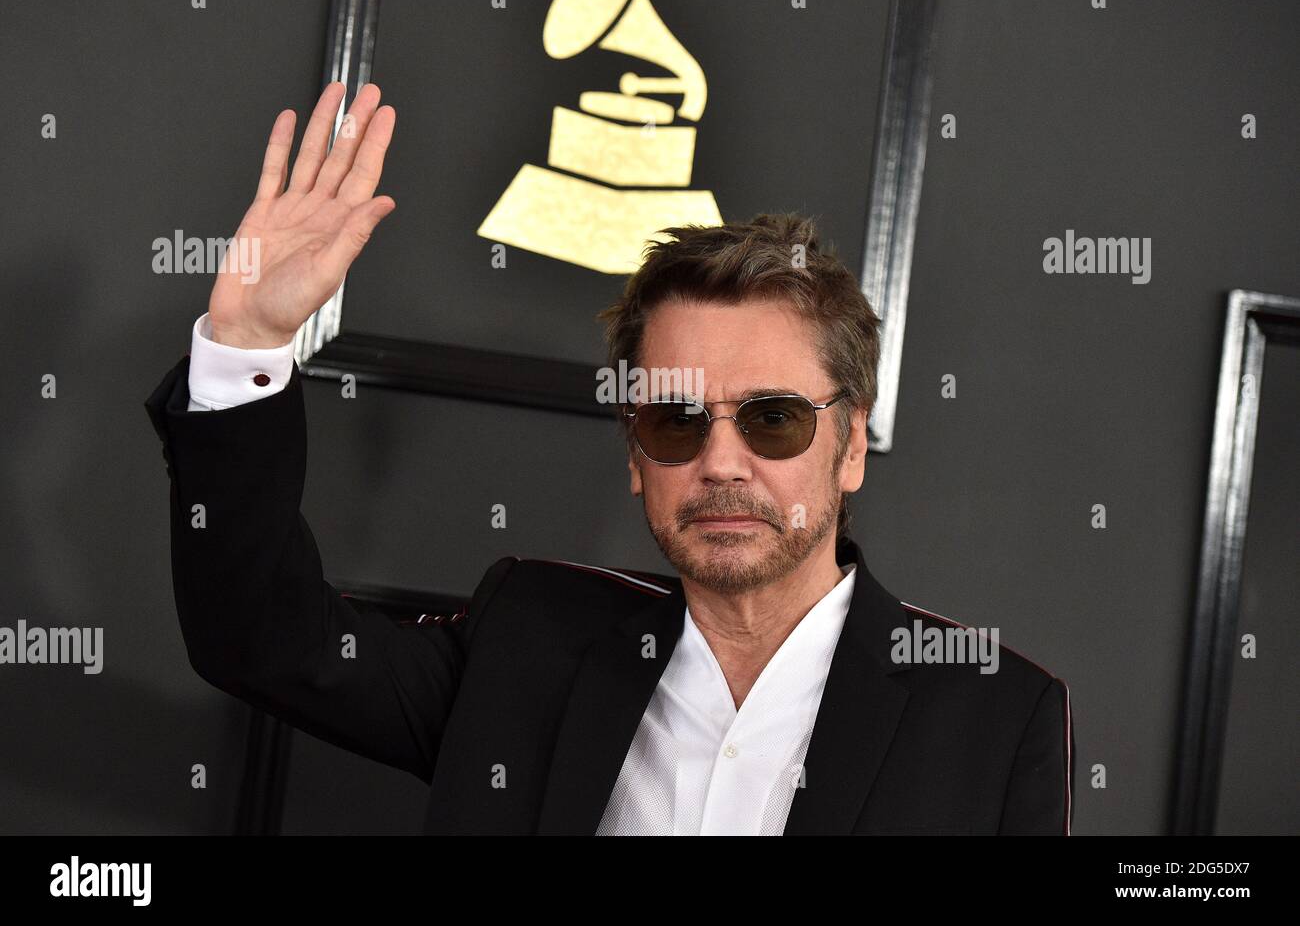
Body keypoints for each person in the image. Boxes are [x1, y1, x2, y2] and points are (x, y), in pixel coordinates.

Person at [145, 82, 1074, 835]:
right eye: (675, 422)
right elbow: (260, 637)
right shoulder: (530, 641)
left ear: (850, 443)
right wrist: (249, 339)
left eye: (774, 419)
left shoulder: (992, 716)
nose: (720, 462)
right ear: (635, 453)